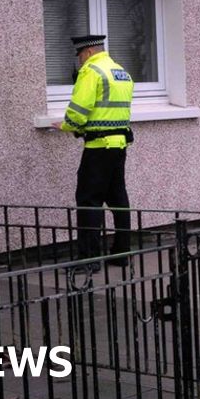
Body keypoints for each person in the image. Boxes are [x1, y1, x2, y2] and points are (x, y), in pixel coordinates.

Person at [55, 35, 134, 263]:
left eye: (80, 56)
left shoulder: (92, 71)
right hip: (119, 145)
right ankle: (122, 254)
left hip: (98, 147)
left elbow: (79, 110)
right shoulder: (121, 72)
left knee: (89, 201)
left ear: (88, 52)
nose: (80, 62)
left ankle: (88, 260)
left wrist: (66, 125)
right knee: (118, 199)